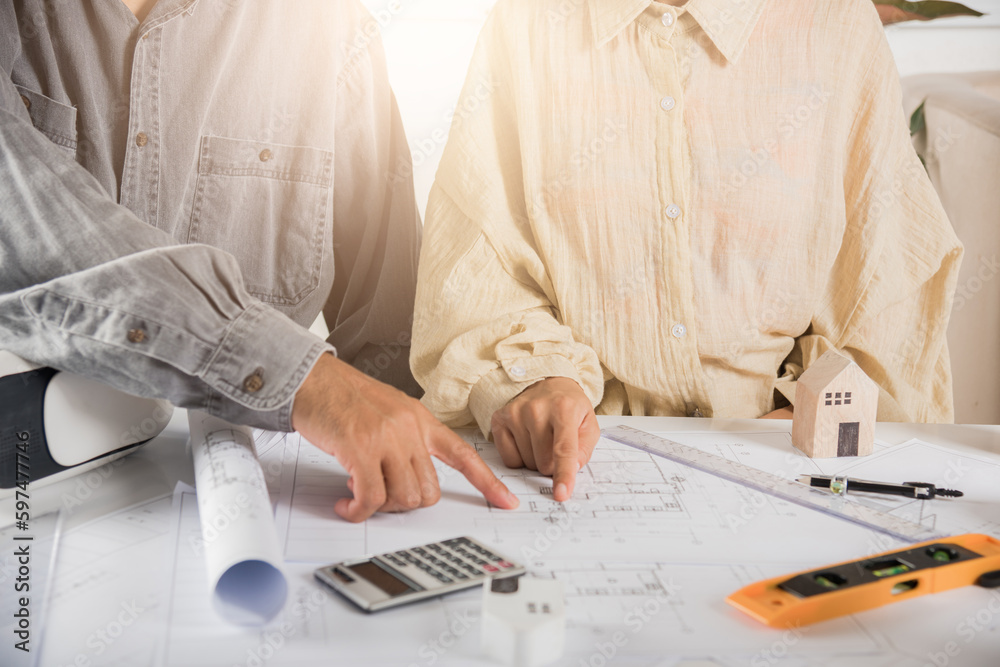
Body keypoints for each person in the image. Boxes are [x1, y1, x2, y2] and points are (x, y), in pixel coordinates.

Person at [411, 0, 963, 502]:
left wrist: (794, 423)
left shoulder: (836, 23)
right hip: (570, 471)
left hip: (790, 474)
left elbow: (887, 289)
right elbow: (475, 263)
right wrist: (538, 381)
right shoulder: (527, 21)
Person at [0, 0, 518, 521]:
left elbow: (392, 344)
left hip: (270, 502)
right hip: (30, 509)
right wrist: (304, 381)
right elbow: (25, 221)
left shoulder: (328, 25)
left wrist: (515, 383)